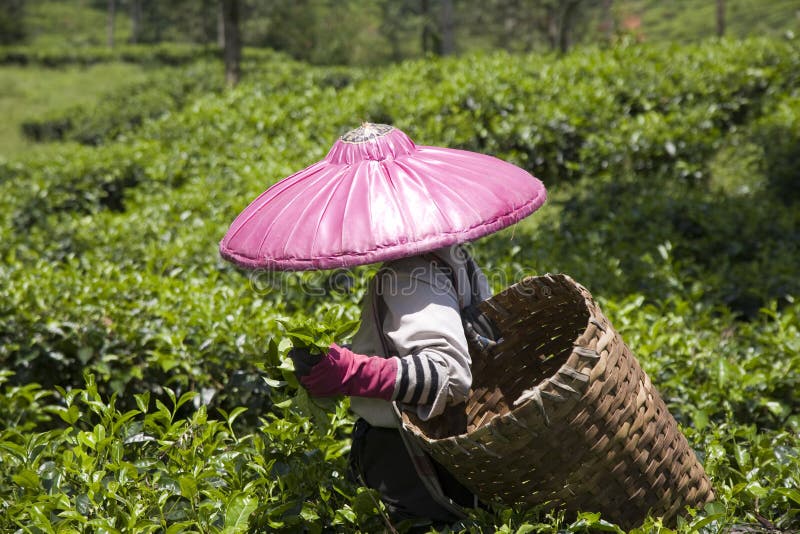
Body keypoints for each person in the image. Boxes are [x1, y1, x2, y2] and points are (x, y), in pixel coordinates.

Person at [289, 243, 495, 525]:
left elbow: (447, 375)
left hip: (412, 463)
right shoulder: (455, 255)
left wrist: (353, 372)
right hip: (456, 452)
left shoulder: (408, 273)